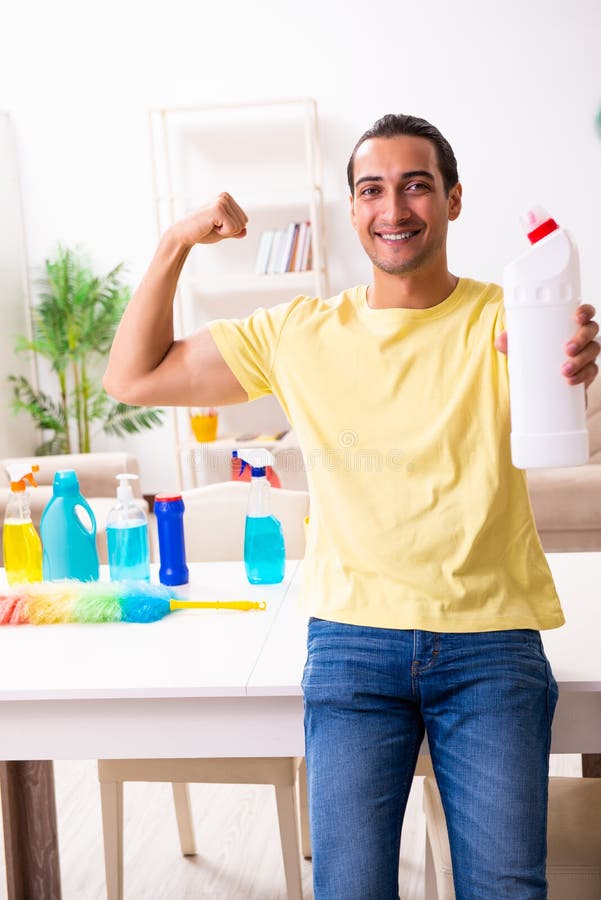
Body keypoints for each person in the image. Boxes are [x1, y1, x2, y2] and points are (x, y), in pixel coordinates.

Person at [104, 114, 600, 899]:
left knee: (506, 887)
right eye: (372, 189)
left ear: (453, 199)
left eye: (415, 186)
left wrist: (571, 357)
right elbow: (133, 378)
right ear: (351, 208)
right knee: (348, 889)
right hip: (352, 646)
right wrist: (175, 243)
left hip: (490, 641)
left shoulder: (507, 321)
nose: (392, 208)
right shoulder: (298, 332)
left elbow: (567, 407)